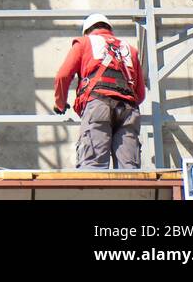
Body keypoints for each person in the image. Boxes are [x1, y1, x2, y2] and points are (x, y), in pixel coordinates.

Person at [53, 13, 146, 169]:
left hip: (98, 106)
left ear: (87, 30)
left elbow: (63, 76)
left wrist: (60, 104)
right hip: (129, 110)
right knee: (129, 170)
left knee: (93, 167)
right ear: (109, 29)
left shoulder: (84, 43)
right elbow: (140, 94)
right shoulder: (131, 50)